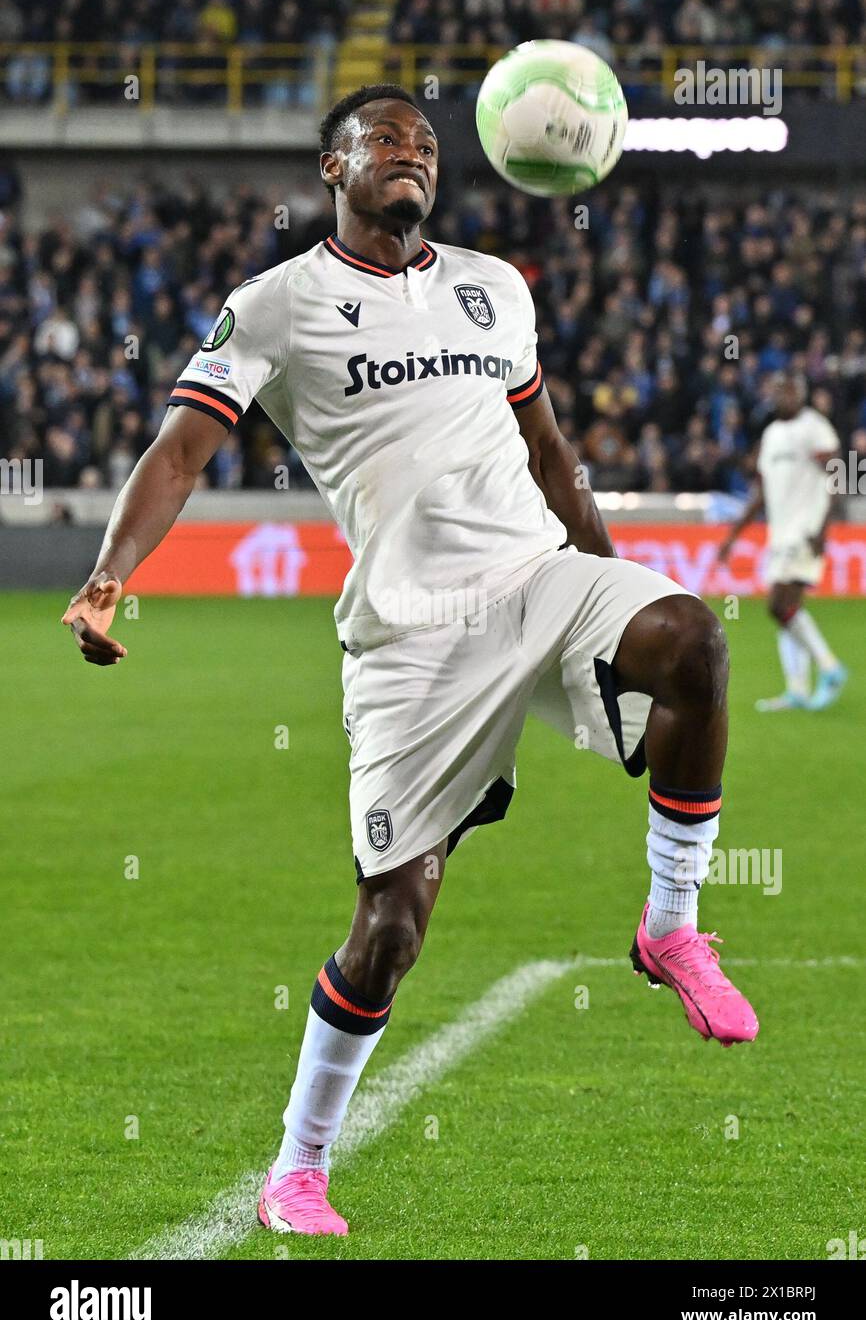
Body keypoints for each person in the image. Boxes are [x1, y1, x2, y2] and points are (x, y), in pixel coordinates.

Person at [62, 85, 758, 1238]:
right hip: (408, 634)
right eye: (384, 139)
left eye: (424, 144)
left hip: (536, 576)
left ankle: (670, 925)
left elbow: (547, 450)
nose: (410, 156)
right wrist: (107, 574)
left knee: (690, 635)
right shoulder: (276, 306)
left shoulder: (495, 288)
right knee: (390, 926)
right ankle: (297, 1166)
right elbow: (179, 452)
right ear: (328, 166)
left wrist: (610, 587)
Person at [719, 373, 847, 711]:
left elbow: (837, 473)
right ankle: (797, 690)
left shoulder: (814, 426)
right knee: (787, 610)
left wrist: (823, 527)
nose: (785, 396)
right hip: (780, 533)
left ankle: (831, 667)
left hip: (805, 529)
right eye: (779, 391)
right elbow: (761, 494)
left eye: (791, 389)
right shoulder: (772, 435)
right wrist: (733, 536)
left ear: (802, 392)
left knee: (779, 605)